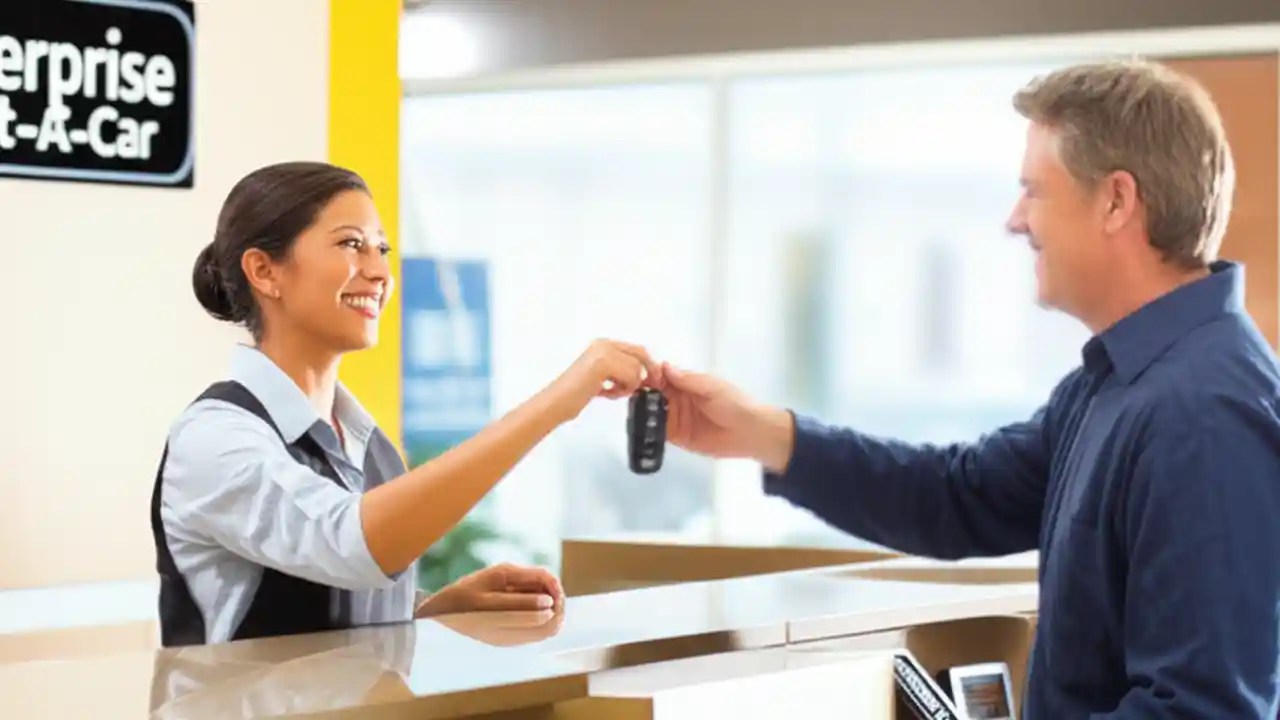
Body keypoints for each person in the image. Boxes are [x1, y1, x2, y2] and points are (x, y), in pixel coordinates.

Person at [654, 60, 1280, 718]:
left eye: (1034, 191)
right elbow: (956, 495)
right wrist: (762, 434)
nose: (1015, 220)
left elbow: (1200, 710)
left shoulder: (1205, 416)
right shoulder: (1112, 388)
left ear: (1117, 202)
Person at [153, 161, 660, 646]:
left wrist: (431, 610)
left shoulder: (368, 446)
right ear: (265, 271)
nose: (379, 273)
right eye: (351, 245)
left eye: (383, 249)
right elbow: (350, 543)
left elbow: (329, 615)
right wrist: (561, 399)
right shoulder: (215, 439)